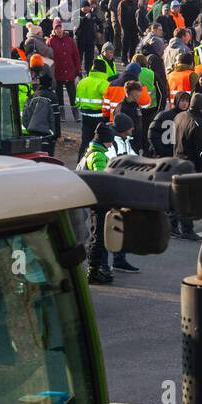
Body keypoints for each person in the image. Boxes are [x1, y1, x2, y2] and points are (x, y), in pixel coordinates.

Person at [79, 122, 116, 285]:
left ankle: (96, 269)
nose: (111, 143)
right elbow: (102, 180)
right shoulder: (98, 156)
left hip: (93, 200)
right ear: (104, 140)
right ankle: (93, 271)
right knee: (98, 237)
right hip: (99, 202)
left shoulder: (92, 152)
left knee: (97, 235)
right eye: (110, 140)